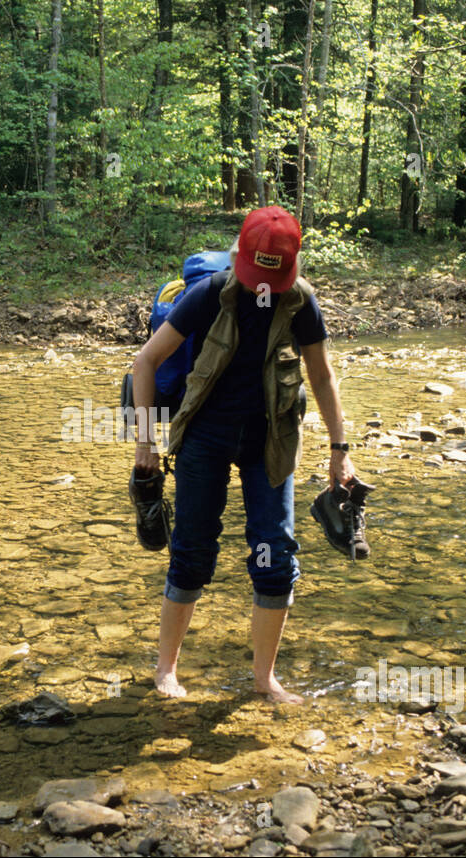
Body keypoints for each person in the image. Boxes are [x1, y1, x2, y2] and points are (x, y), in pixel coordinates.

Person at [129, 205, 355, 704]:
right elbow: (145, 362)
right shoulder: (208, 294)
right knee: (191, 552)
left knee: (275, 555)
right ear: (239, 255)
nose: (263, 288)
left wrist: (341, 450)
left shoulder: (300, 300)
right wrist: (145, 441)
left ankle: (264, 680)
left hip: (269, 440)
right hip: (205, 435)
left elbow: (321, 375)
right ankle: (166, 669)